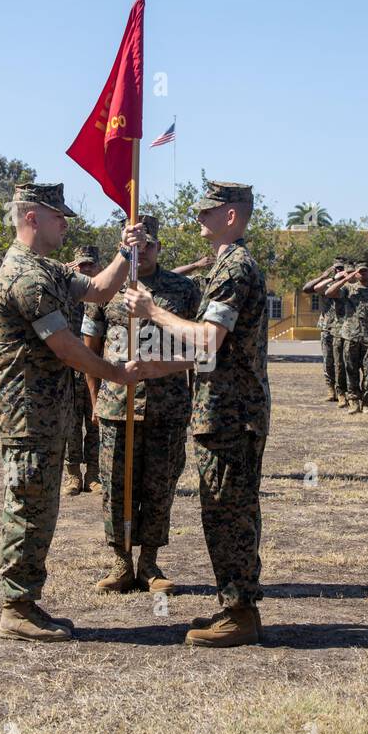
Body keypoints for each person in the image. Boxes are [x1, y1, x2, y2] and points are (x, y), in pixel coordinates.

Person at [0, 181, 153, 643]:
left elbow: (100, 290)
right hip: (27, 412)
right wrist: (116, 374)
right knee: (28, 505)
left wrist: (126, 250)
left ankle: (26, 602)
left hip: (46, 411)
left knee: (41, 504)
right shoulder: (26, 276)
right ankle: (17, 606)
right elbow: (65, 347)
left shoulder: (48, 270)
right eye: (58, 215)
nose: (65, 222)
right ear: (32, 217)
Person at [125, 180, 269, 648]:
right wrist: (158, 366)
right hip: (222, 409)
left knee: (230, 512)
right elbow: (209, 353)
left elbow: (207, 340)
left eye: (207, 212)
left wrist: (153, 311)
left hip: (231, 413)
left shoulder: (233, 267)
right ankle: (235, 602)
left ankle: (240, 612)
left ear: (231, 215)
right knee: (223, 510)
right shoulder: (227, 264)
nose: (199, 220)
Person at [82, 216, 200, 594]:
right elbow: (91, 349)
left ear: (159, 247)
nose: (141, 250)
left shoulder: (183, 289)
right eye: (135, 243)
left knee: (160, 485)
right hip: (117, 405)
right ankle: (121, 561)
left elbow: (200, 347)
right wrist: (95, 401)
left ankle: (149, 562)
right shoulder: (107, 289)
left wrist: (195, 401)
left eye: (148, 243)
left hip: (168, 406)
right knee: (116, 486)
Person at [62, 245, 101, 495]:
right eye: (81, 265)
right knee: (72, 424)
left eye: (90, 264)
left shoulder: (105, 295)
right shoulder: (66, 293)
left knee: (96, 422)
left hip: (97, 368)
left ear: (98, 266)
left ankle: (94, 474)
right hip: (71, 370)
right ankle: (73, 474)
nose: (86, 269)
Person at [326, 261, 368, 413]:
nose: (362, 273)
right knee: (350, 370)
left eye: (365, 271)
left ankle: (366, 403)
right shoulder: (348, 289)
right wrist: (345, 278)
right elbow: (329, 293)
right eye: (360, 271)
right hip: (350, 336)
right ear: (355, 273)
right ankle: (353, 401)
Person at [302, 257, 346, 401]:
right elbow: (307, 289)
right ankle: (330, 390)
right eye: (336, 268)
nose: (339, 270)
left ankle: (342, 391)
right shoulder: (326, 283)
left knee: (342, 361)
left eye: (341, 268)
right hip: (327, 326)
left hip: (344, 328)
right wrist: (325, 276)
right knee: (328, 360)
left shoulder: (348, 285)